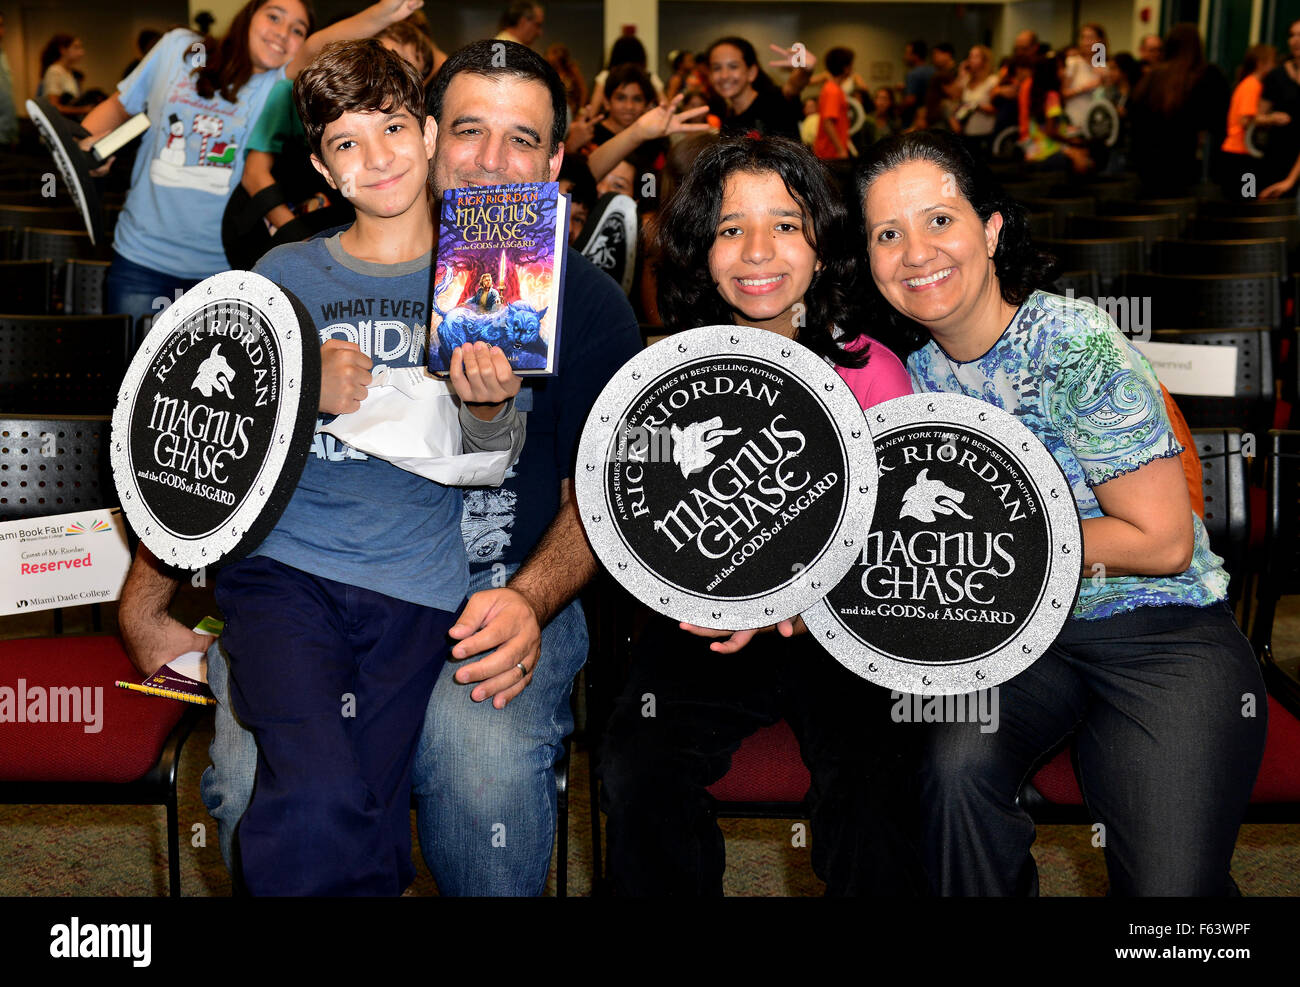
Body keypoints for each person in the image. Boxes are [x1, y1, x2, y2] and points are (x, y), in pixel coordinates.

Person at [129, 39, 643, 897]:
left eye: (522, 140)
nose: (489, 160)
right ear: (436, 136)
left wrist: (529, 601)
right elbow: (214, 441)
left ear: (557, 162)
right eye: (470, 129)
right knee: (265, 780)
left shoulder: (582, 300)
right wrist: (144, 601)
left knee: (480, 765)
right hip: (300, 581)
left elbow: (599, 499)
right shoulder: (297, 263)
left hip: (499, 590)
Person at [856, 129, 1268, 895]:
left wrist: (989, 540)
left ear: (991, 227)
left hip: (1156, 625)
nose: (916, 252)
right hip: (1012, 637)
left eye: (939, 220)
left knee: (1171, 893)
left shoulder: (1073, 342)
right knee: (950, 777)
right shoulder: (901, 374)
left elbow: (1163, 539)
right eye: (888, 233)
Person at [598, 135, 926, 897]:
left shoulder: (870, 367)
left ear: (820, 244)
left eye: (784, 224)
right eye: (729, 228)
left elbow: (898, 539)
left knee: (875, 780)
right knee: (636, 761)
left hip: (844, 624)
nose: (757, 251)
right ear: (701, 252)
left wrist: (803, 604)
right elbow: (636, 527)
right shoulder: (662, 375)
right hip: (708, 626)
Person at [76, 0, 421, 332]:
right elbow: (120, 106)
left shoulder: (278, 86)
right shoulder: (178, 48)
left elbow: (320, 45)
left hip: (221, 271)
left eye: (297, 29)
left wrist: (385, 11)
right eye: (274, 17)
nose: (283, 32)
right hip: (141, 259)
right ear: (248, 15)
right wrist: (85, 149)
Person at [1128, 24, 1227, 196]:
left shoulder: (1151, 79)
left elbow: (1134, 118)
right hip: (1188, 168)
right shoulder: (1207, 76)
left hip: (1149, 167)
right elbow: (1220, 122)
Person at [705, 36, 800, 141]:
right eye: (716, 68)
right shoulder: (726, 120)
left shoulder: (775, 102)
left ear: (751, 72)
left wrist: (805, 70)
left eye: (733, 66)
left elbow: (793, 87)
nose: (724, 76)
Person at [1222, 44, 1277, 200]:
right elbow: (1246, 120)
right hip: (1241, 153)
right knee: (1246, 199)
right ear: (1261, 64)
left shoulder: (1248, 83)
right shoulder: (1252, 86)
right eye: (1272, 62)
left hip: (1238, 152)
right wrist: (1272, 118)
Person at [1256, 20, 1300, 193]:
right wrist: (1270, 118)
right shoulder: (1276, 76)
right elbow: (1257, 118)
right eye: (1292, 35)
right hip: (1276, 156)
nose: (1295, 40)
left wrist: (1290, 180)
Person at [1062, 23, 1107, 129]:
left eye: (1091, 38)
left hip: (1096, 122)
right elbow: (1063, 93)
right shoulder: (1073, 63)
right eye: (1084, 38)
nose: (1087, 42)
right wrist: (1084, 88)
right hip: (1074, 119)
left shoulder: (1104, 66)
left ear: (1100, 41)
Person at [813, 46, 854, 162]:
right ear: (846, 68)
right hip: (830, 154)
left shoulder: (833, 88)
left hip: (830, 152)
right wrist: (841, 150)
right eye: (851, 65)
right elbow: (828, 123)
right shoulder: (833, 91)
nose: (853, 68)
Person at [39, 34, 87, 116]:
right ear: (63, 50)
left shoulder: (69, 72)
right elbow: (54, 107)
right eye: (76, 47)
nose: (81, 52)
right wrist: (83, 110)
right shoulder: (55, 71)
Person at [0, 14, 16, 148]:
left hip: (6, 134)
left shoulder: (2, 54)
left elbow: (6, 97)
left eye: (1, 25)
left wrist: (12, 133)